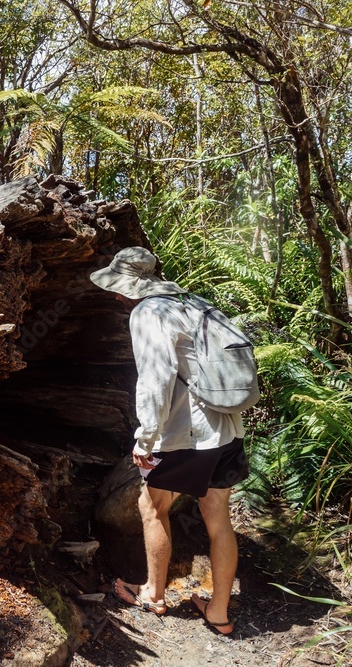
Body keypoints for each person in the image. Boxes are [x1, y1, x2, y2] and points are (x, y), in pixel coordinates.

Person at [89, 246, 249, 635]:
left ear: (130, 287)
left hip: (187, 433)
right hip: (226, 428)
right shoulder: (192, 302)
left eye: (119, 288)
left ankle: (153, 594)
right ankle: (219, 613)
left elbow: (155, 380)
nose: (115, 295)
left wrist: (145, 440)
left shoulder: (148, 312)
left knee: (152, 506)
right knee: (218, 517)